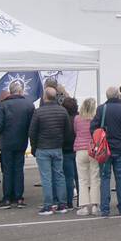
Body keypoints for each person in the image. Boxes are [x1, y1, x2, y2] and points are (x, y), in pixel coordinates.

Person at [91, 86, 121, 217]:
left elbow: (93, 127)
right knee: (120, 177)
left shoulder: (101, 109)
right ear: (118, 95)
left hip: (105, 149)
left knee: (105, 178)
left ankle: (105, 209)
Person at [30, 85, 73, 215]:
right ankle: (62, 204)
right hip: (57, 147)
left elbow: (32, 132)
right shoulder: (62, 111)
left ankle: (48, 205)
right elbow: (68, 131)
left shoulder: (38, 112)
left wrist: (34, 146)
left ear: (44, 97)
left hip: (43, 148)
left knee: (46, 178)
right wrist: (61, 142)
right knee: (59, 176)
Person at [0, 80, 35, 209]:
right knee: (18, 169)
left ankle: (7, 198)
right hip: (21, 141)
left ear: (10, 91)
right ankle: (18, 197)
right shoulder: (29, 105)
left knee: (7, 170)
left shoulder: (2, 106)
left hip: (6, 141)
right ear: (21, 91)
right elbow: (32, 125)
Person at [74, 97, 101, 216]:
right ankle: (95, 205)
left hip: (80, 149)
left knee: (82, 179)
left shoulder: (77, 118)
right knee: (95, 177)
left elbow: (76, 131)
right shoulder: (96, 118)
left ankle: (85, 207)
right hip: (93, 149)